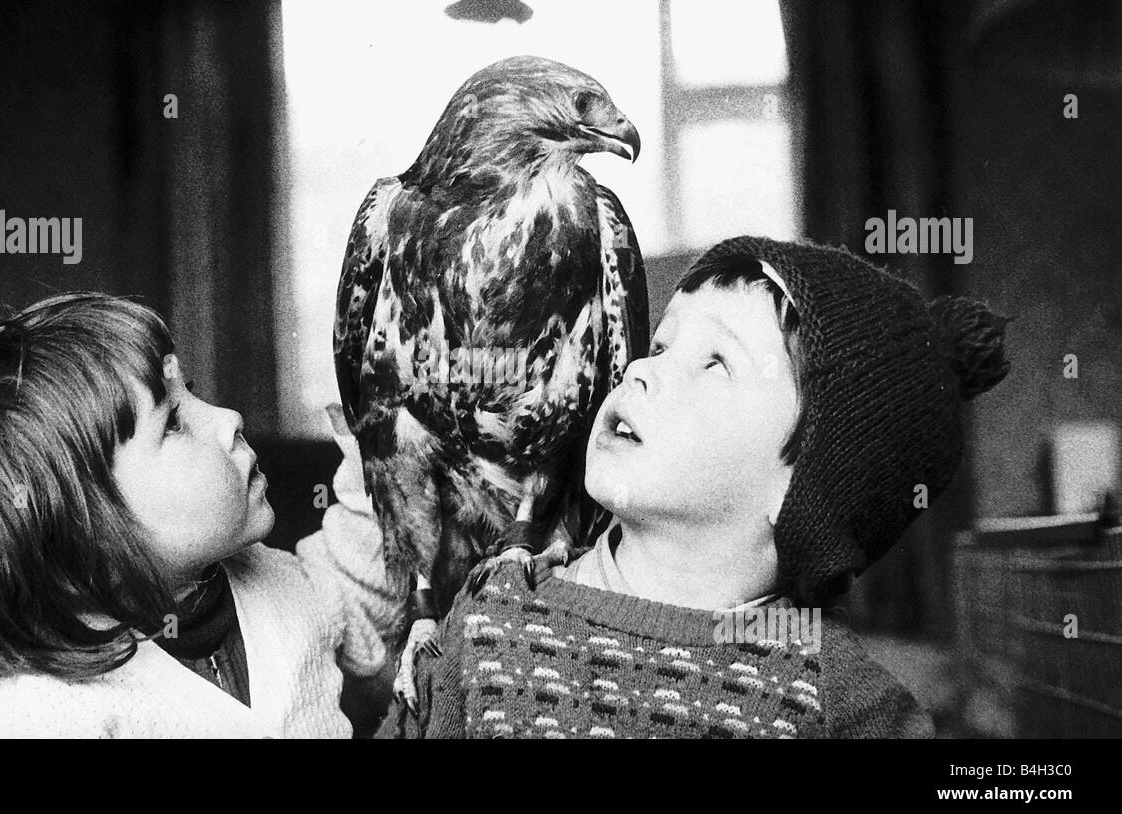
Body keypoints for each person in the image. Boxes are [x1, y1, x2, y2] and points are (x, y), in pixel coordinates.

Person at [378, 235, 1011, 738]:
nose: (640, 369)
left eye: (715, 363)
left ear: (802, 496)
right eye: (661, 342)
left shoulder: (837, 699)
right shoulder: (494, 611)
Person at [0, 292, 405, 738]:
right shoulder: (45, 718)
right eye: (172, 421)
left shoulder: (278, 583)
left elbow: (359, 598)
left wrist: (377, 468)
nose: (229, 418)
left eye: (191, 393)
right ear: (81, 525)